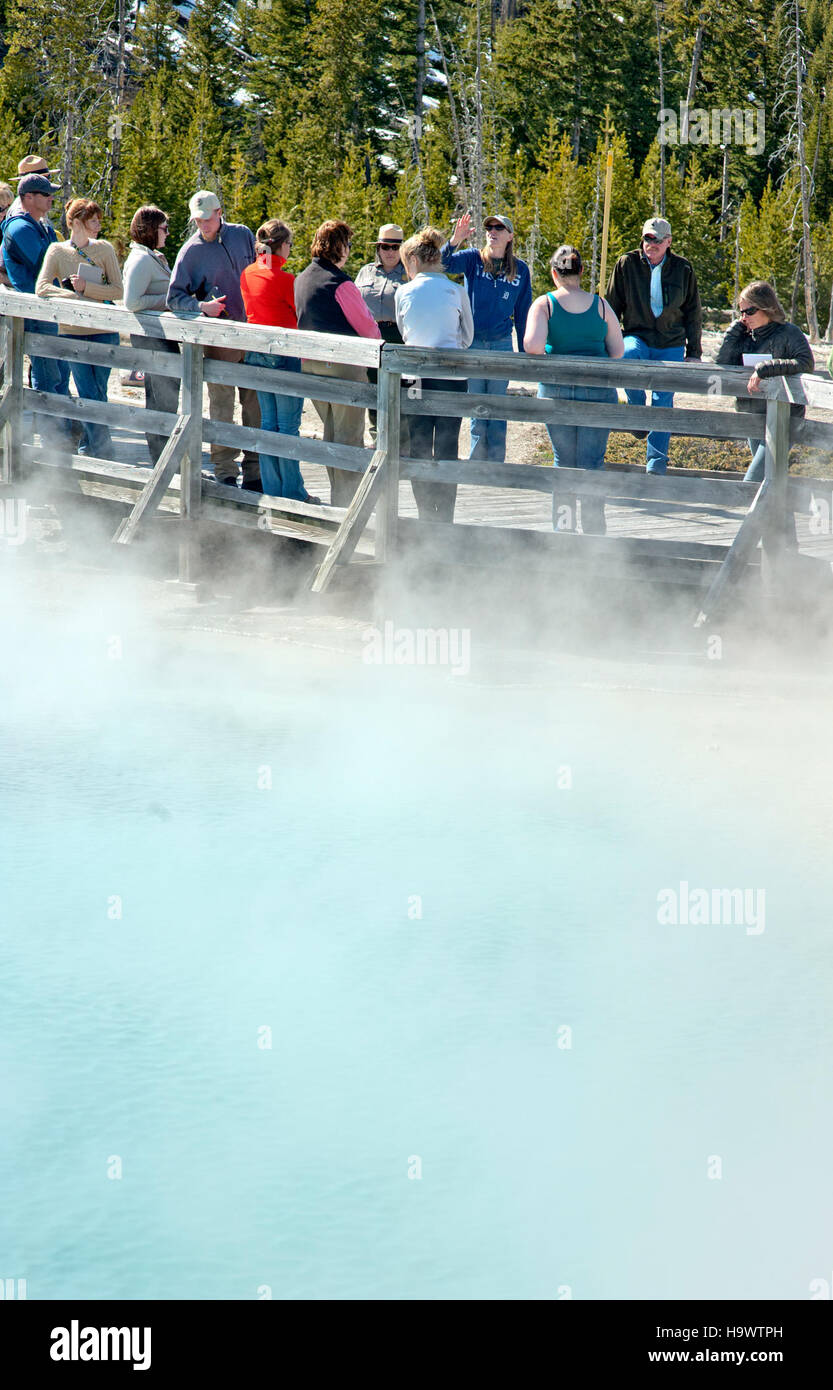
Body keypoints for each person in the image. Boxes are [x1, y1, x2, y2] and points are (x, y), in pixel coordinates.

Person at [525, 246, 624, 535]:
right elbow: (617, 352)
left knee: (563, 463)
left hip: (556, 391)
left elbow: (532, 346)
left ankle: (564, 532)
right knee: (593, 464)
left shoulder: (545, 304)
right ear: (581, 272)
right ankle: (594, 533)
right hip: (598, 389)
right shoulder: (602, 306)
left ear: (554, 273)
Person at [167, 191, 261, 490]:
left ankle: (255, 471)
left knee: (254, 404)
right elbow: (174, 297)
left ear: (220, 212)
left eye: (207, 219)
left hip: (253, 332)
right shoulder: (190, 251)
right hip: (219, 337)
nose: (202, 225)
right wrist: (201, 308)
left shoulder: (242, 235)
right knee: (222, 406)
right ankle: (225, 471)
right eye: (197, 220)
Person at [294, 219, 381, 507]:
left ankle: (339, 503)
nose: (349, 250)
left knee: (332, 436)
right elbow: (369, 330)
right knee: (348, 439)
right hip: (342, 366)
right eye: (349, 244)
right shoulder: (341, 283)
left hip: (310, 366)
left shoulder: (301, 278)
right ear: (340, 247)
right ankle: (349, 508)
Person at [605, 216, 702, 474]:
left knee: (663, 400)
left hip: (670, 340)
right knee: (627, 356)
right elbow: (612, 307)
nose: (652, 244)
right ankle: (637, 410)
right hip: (637, 334)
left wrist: (694, 351)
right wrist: (606, 341)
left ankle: (656, 464)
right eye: (648, 238)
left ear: (668, 242)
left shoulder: (684, 269)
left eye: (658, 240)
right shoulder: (626, 263)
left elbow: (693, 311)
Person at [396, 227, 474, 522]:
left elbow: (405, 335)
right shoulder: (456, 290)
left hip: (415, 376)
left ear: (413, 261)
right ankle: (446, 517)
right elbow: (467, 337)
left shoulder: (404, 291)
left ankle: (425, 513)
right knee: (447, 445)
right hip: (451, 377)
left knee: (418, 442)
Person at [440, 211, 532, 462]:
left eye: (499, 228)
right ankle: (476, 465)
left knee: (498, 408)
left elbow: (523, 313)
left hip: (502, 344)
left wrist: (525, 356)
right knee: (477, 408)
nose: (492, 231)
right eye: (489, 227)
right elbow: (443, 264)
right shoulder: (472, 259)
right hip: (472, 343)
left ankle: (496, 466)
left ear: (510, 236)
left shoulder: (521, 270)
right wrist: (454, 240)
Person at [36, 198, 123, 459]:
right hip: (72, 330)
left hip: (104, 329)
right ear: (76, 223)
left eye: (98, 220)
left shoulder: (105, 250)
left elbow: (118, 290)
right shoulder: (57, 251)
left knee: (99, 392)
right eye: (92, 220)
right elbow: (42, 287)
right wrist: (73, 296)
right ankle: (100, 452)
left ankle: (92, 448)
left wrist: (88, 289)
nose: (98, 225)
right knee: (88, 391)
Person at [239, 219, 319, 503]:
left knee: (268, 424)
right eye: (289, 244)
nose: (290, 249)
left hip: (257, 355)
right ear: (280, 245)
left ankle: (273, 489)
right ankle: (294, 493)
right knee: (287, 427)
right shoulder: (286, 280)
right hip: (284, 356)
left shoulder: (247, 273)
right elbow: (301, 316)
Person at [715, 280, 814, 484]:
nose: (744, 317)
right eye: (741, 312)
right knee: (771, 480)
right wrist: (732, 334)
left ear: (766, 307)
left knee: (754, 480)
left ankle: (750, 517)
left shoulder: (789, 333)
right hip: (753, 415)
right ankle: (783, 516)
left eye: (749, 311)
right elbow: (722, 365)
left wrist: (765, 368)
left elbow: (805, 363)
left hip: (784, 418)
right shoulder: (744, 335)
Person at [2, 172, 73, 454]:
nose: (51, 198)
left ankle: (56, 440)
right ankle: (50, 444)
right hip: (34, 311)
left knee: (56, 376)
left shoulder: (39, 225)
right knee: (46, 378)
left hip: (48, 311)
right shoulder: (19, 228)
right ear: (28, 198)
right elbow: (46, 264)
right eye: (45, 194)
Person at [123, 204, 180, 466]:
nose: (167, 233)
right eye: (164, 229)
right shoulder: (142, 259)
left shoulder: (150, 256)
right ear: (150, 230)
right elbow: (132, 301)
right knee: (161, 401)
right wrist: (169, 300)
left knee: (165, 400)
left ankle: (166, 461)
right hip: (151, 339)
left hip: (158, 338)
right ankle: (163, 462)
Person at [355, 222, 409, 447]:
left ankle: (402, 444)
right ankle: (379, 440)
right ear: (378, 247)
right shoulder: (366, 271)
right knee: (373, 390)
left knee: (402, 391)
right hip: (369, 337)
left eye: (395, 247)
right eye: (386, 247)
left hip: (398, 335)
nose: (390, 252)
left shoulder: (410, 273)